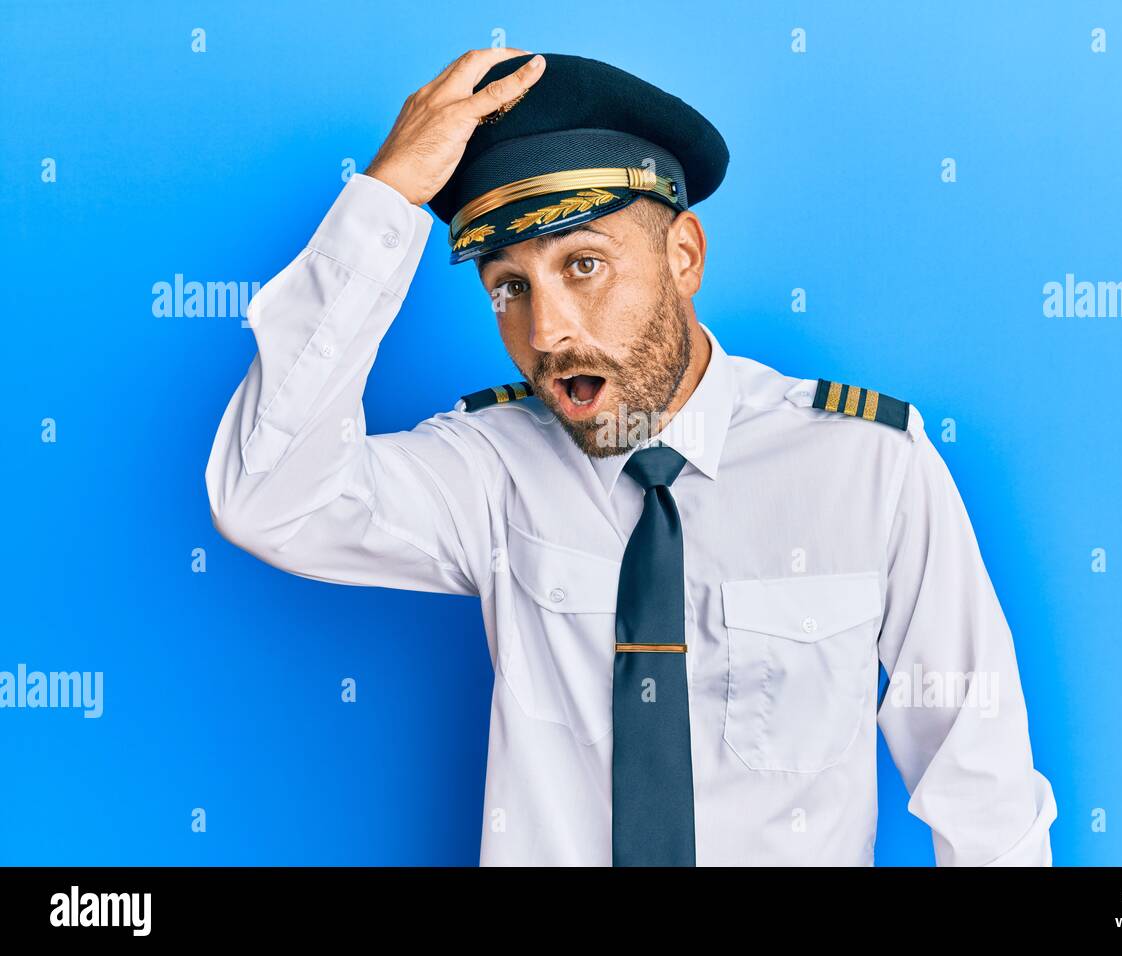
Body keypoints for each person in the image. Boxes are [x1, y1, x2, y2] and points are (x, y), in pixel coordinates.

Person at [205, 48, 1057, 866]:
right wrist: (384, 201)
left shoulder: (869, 466)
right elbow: (265, 496)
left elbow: (981, 785)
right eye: (510, 287)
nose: (546, 333)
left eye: (584, 266)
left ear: (683, 256)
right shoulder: (490, 471)